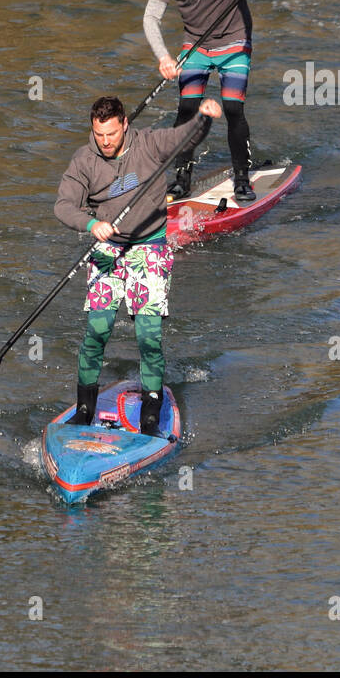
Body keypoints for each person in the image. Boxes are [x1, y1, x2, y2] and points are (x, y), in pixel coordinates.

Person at [54, 93, 222, 433]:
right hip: (107, 250)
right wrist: (91, 224)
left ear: (125, 124)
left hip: (149, 247)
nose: (105, 142)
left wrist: (203, 119)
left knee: (148, 335)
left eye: (112, 134)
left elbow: (184, 137)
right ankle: (84, 410)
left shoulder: (149, 144)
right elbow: (63, 205)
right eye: (99, 134)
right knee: (97, 331)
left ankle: (150, 414)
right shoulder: (85, 160)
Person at [144, 0, 260, 202]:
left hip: (234, 42)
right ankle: (182, 180)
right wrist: (164, 58)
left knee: (233, 109)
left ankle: (243, 180)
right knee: (187, 108)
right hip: (197, 45)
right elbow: (150, 18)